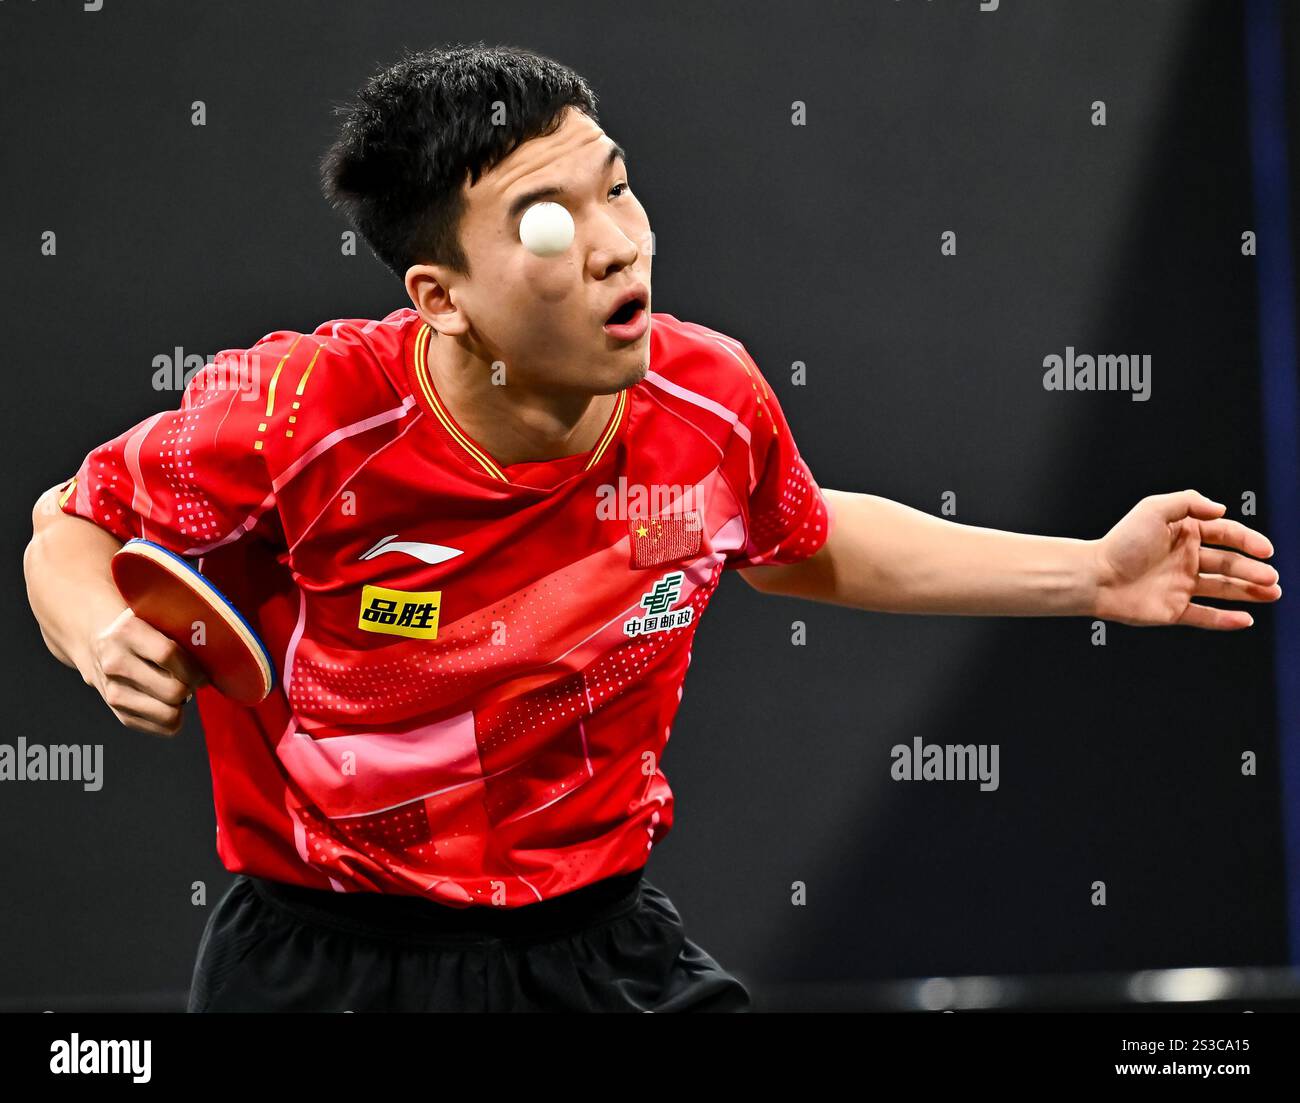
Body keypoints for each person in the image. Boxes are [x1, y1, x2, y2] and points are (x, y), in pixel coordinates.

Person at [23, 43, 1281, 1013]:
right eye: (551, 224)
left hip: (596, 942)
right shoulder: (303, 416)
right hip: (328, 954)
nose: (621, 245)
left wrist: (1092, 573)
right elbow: (66, 524)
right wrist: (97, 630)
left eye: (617, 186)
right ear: (439, 296)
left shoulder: (706, 398)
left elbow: (799, 539)